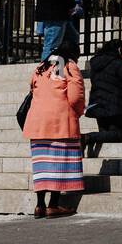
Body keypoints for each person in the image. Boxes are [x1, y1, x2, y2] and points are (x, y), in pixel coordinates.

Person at [23, 39, 85, 218]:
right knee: (58, 164)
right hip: (59, 122)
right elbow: (75, 96)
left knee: (42, 166)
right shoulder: (69, 66)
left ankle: (39, 205)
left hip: (37, 123)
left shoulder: (40, 68)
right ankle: (53, 205)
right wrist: (78, 113)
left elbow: (33, 90)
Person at [83, 39, 122, 155]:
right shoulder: (119, 64)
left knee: (105, 133)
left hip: (98, 107)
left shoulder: (95, 65)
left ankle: (90, 144)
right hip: (115, 107)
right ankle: (88, 138)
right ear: (119, 50)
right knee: (121, 134)